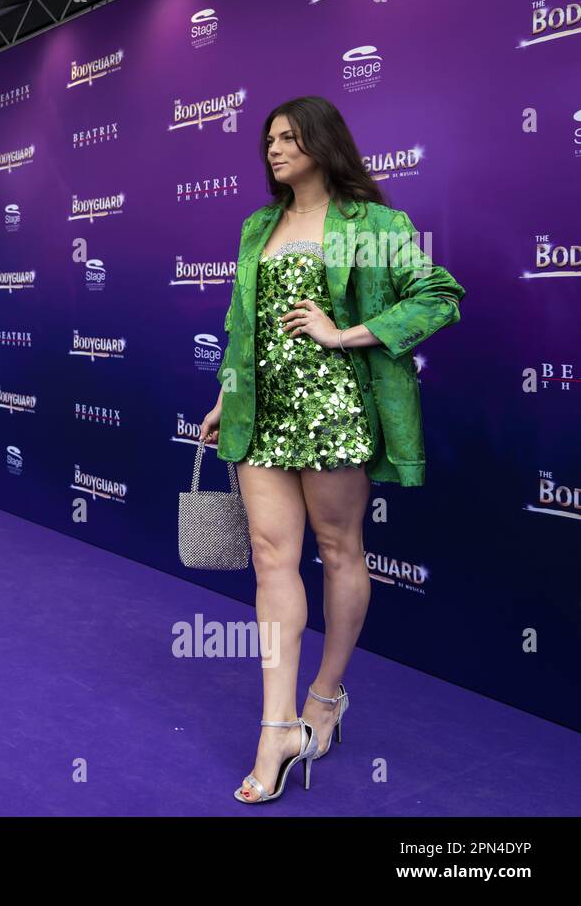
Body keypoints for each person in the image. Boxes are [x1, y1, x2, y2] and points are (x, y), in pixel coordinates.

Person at [199, 96, 465, 804]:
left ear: (322, 142)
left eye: (288, 138)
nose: (274, 150)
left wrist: (345, 334)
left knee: (341, 552)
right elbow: (239, 324)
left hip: (336, 412)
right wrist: (229, 395)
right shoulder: (261, 225)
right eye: (268, 141)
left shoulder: (372, 223)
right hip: (263, 412)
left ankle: (326, 693)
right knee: (268, 556)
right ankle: (276, 726)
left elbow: (437, 294)